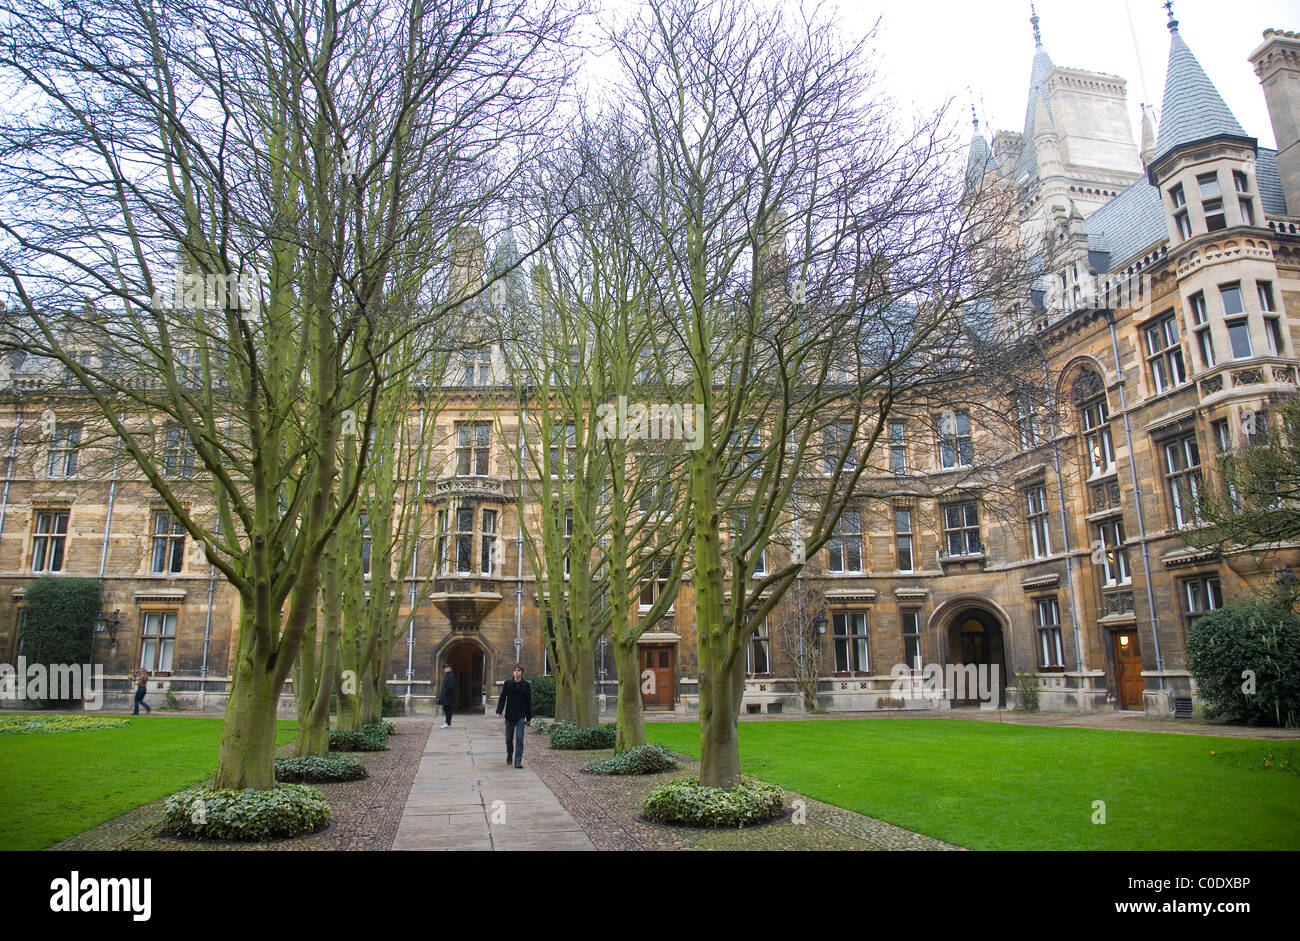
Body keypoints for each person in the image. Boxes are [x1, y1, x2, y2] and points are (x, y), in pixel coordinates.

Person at [495, 664, 532, 768]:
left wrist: (529, 718)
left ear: (522, 672)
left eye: (519, 670)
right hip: (510, 715)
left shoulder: (526, 685)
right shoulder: (508, 684)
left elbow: (528, 702)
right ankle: (510, 754)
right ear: (513, 672)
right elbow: (502, 698)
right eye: (515, 670)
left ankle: (518, 761)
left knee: (520, 739)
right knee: (508, 739)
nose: (517, 672)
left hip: (521, 715)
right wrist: (499, 711)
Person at [437, 663, 456, 728]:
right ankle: (447, 723)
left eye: (446, 668)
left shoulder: (451, 676)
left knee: (448, 710)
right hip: (447, 696)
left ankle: (448, 723)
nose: (444, 669)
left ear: (449, 669)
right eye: (444, 668)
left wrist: (445, 692)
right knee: (446, 709)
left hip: (448, 696)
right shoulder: (448, 675)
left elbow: (451, 687)